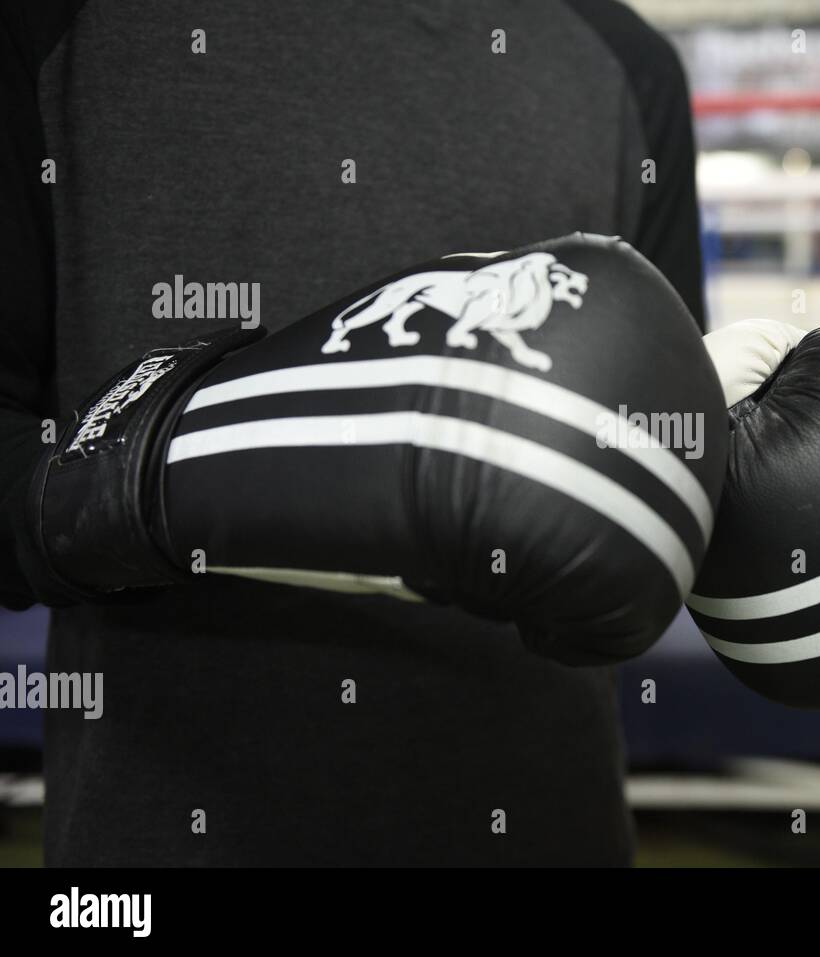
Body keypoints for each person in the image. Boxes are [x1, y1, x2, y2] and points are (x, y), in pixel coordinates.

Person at [0, 0, 703, 866]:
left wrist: (796, 523)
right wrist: (136, 485)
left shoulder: (627, 63)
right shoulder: (54, 30)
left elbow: (665, 487)